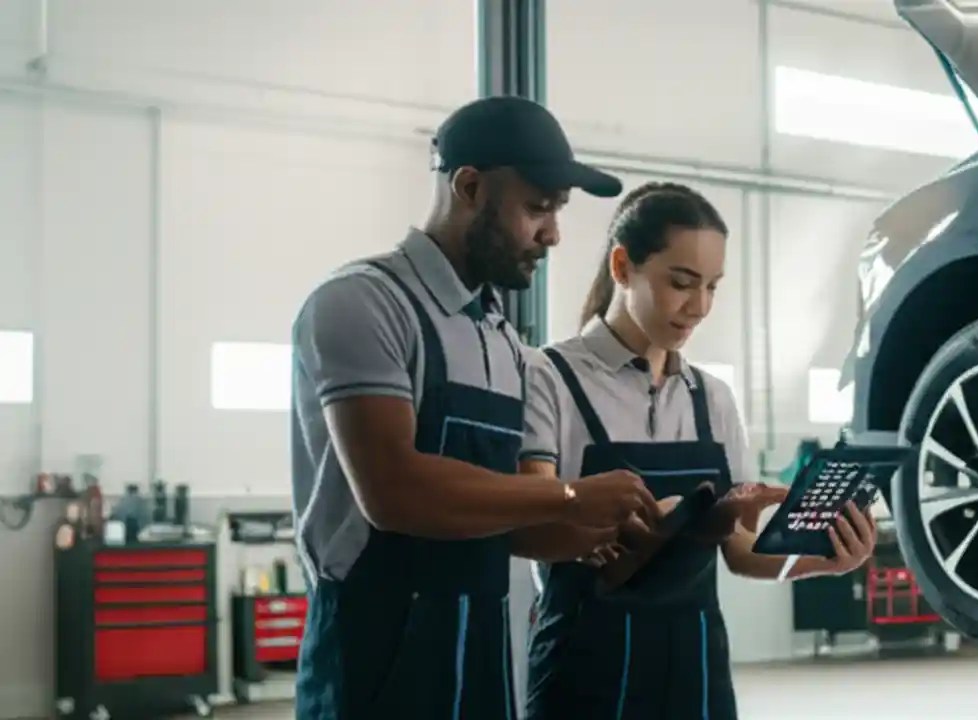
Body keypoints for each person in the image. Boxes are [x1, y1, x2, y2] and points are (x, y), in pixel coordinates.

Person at [289, 96, 663, 720]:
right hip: (372, 658)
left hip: (483, 653)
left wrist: (621, 530)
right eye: (538, 208)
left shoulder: (504, 344)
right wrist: (570, 496)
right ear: (468, 187)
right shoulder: (363, 304)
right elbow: (393, 491)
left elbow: (509, 521)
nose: (553, 234)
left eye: (558, 211)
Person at [514, 182, 879, 719]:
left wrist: (824, 558)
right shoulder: (548, 377)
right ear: (622, 266)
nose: (700, 306)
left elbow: (743, 552)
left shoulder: (713, 399)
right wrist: (612, 525)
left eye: (712, 287)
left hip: (697, 672)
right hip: (583, 671)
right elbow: (531, 520)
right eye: (681, 283)